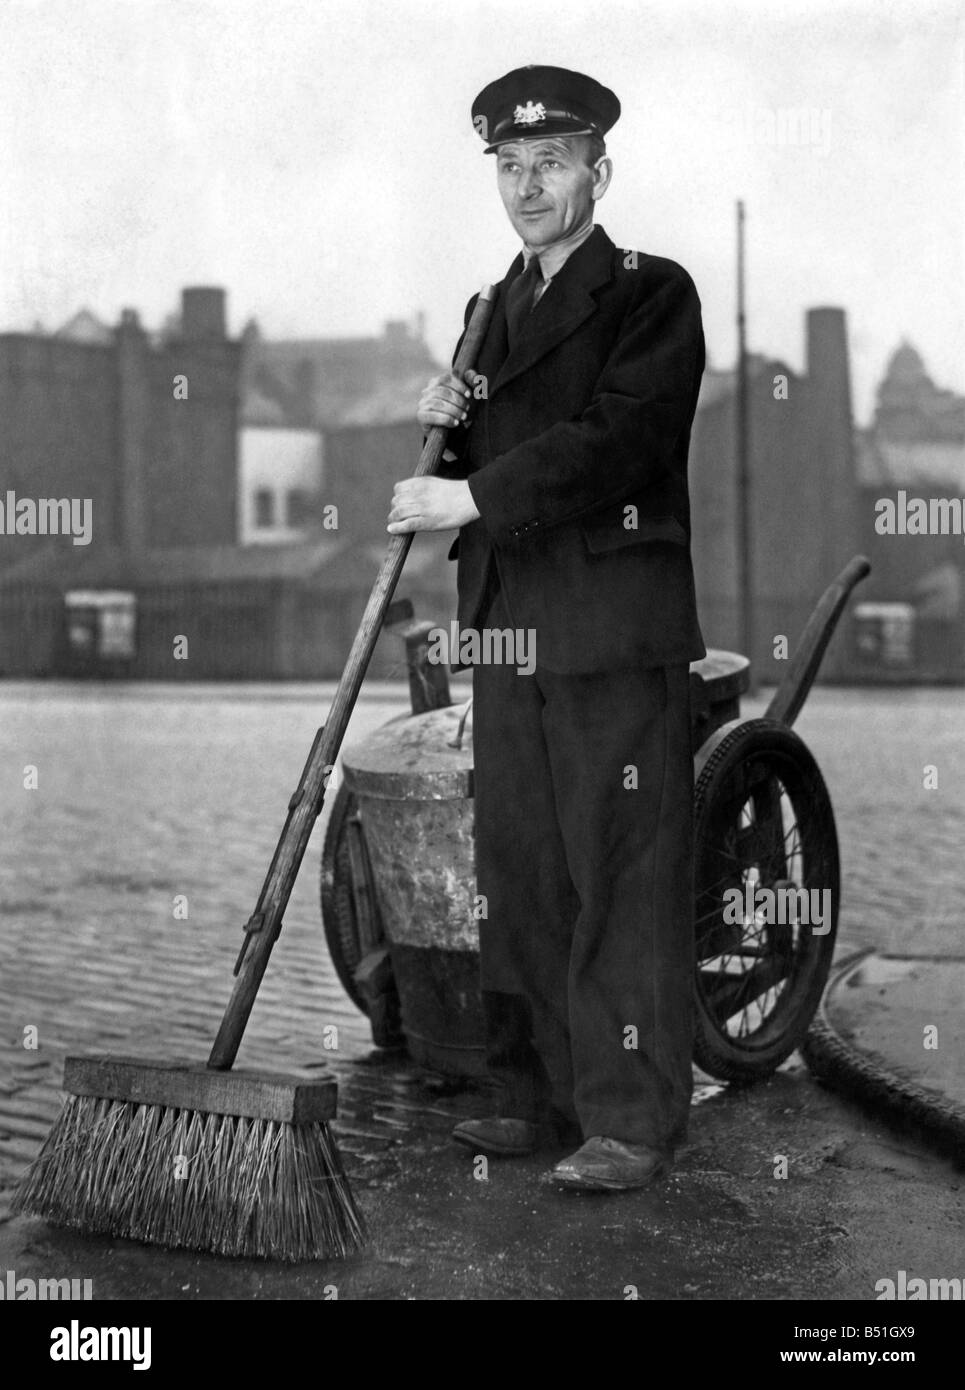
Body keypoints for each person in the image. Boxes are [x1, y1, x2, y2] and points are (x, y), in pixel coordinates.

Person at [387, 64, 706, 1190]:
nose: (527, 186)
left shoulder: (649, 292)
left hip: (609, 622)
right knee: (520, 864)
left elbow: (619, 440)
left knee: (618, 866)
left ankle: (628, 1121)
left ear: (596, 174)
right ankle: (535, 1097)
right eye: (510, 167)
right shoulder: (490, 309)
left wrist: (468, 495)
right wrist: (448, 421)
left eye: (550, 164)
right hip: (506, 622)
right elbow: (495, 454)